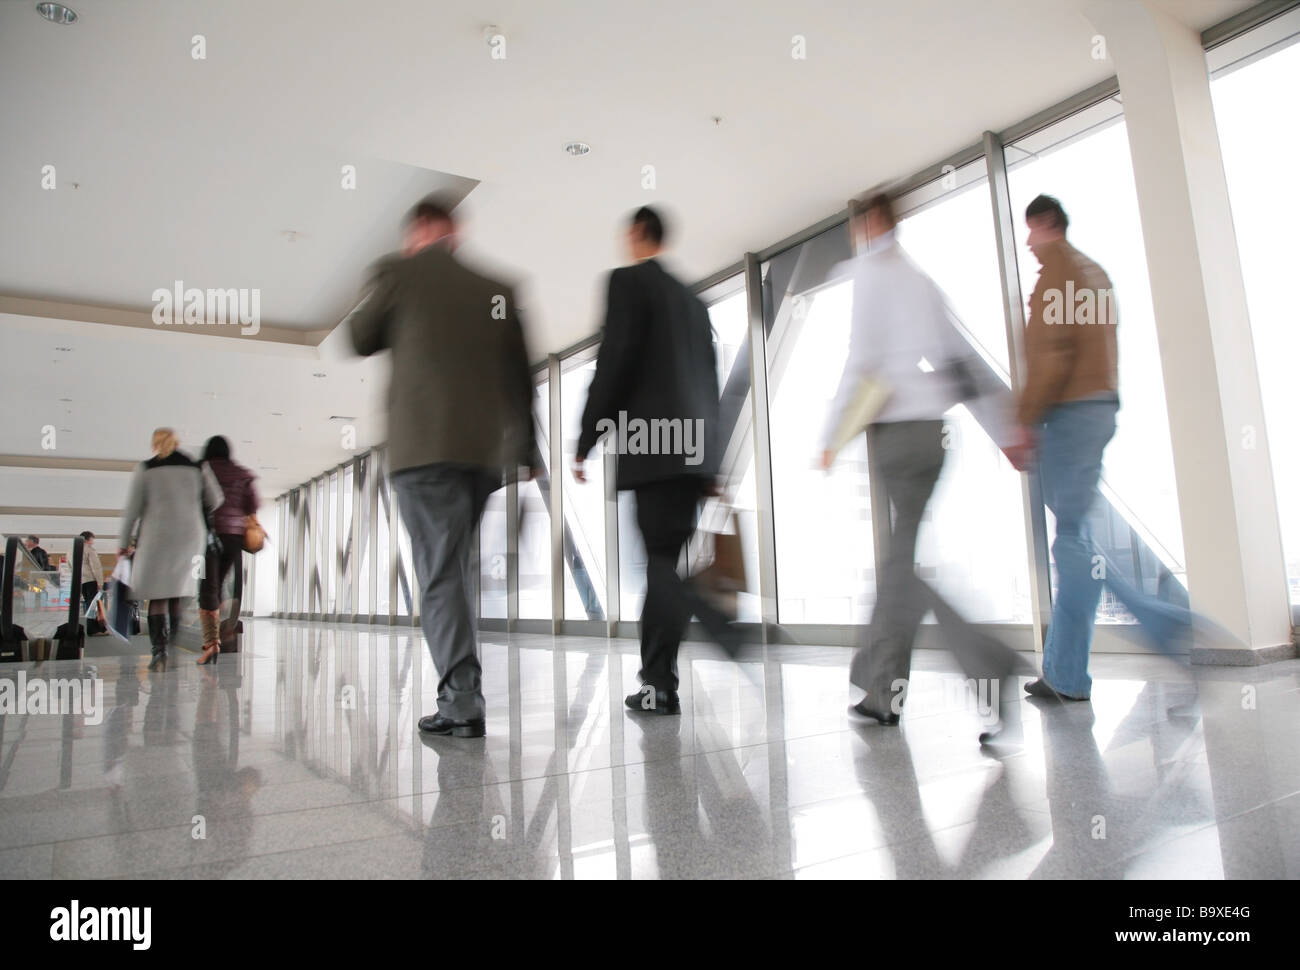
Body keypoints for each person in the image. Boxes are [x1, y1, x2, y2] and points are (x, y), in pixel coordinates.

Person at [821, 192, 1025, 742]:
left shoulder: (873, 273)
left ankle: (987, 665)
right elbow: (958, 360)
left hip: (896, 437)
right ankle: (883, 692)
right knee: (899, 565)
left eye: (857, 222)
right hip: (932, 437)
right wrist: (1004, 429)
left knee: (901, 571)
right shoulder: (919, 280)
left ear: (869, 222)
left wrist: (831, 436)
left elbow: (861, 361)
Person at [349, 193, 536, 739]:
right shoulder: (496, 291)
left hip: (423, 451)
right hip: (480, 455)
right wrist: (527, 450)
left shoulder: (401, 274)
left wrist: (391, 272)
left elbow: (361, 337)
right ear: (455, 232)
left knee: (438, 574)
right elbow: (519, 375)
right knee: (453, 568)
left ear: (419, 231)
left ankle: (461, 699)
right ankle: (462, 691)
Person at [1004, 194, 1204, 703]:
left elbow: (1051, 356)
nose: (1028, 243)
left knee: (1072, 542)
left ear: (1048, 223)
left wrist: (1025, 422)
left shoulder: (1058, 276)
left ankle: (1156, 625)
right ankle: (1068, 670)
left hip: (1070, 412)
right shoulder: (1097, 274)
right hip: (1100, 407)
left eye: (1031, 231)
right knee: (1077, 539)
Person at [576, 205, 733, 717]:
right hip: (691, 452)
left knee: (661, 568)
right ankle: (659, 683)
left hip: (652, 447)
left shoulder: (628, 283)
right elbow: (710, 389)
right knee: (665, 564)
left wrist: (587, 437)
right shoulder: (694, 303)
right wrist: (711, 465)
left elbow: (615, 361)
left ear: (638, 234)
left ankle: (683, 648)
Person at [118, 428, 224, 671]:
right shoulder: (197, 467)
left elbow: (132, 510)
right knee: (177, 592)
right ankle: (172, 645)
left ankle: (159, 651)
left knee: (158, 596)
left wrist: (123, 544)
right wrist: (194, 504)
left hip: (156, 536)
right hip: (189, 536)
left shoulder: (145, 470)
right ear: (177, 442)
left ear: (154, 445)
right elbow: (216, 499)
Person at [198, 435, 259, 664]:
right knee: (218, 583)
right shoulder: (242, 474)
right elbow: (252, 504)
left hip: (209, 534)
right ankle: (225, 622)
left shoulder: (203, 471)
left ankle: (212, 643)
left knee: (207, 589)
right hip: (234, 536)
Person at [78, 531, 107, 635]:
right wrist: (100, 582)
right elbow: (96, 567)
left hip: (81, 581)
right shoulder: (89, 550)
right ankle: (94, 629)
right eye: (92, 540)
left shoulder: (71, 550)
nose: (92, 543)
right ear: (87, 539)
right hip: (91, 580)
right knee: (93, 605)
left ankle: (97, 628)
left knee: (88, 603)